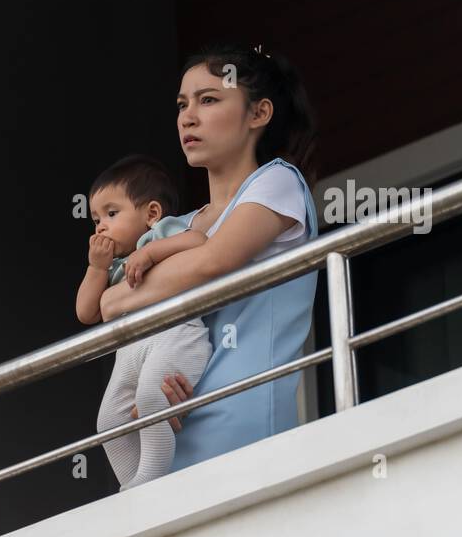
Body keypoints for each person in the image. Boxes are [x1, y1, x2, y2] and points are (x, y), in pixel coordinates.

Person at [99, 43, 320, 473]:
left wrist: (118, 298)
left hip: (243, 414)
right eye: (182, 104)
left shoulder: (276, 182)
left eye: (209, 100)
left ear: (258, 114)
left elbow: (211, 262)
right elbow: (121, 302)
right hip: (174, 417)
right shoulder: (179, 226)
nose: (188, 116)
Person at [76, 155, 212, 490]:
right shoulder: (112, 265)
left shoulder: (164, 233)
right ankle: (132, 488)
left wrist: (150, 254)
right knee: (109, 420)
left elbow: (200, 242)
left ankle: (150, 482)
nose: (101, 226)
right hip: (131, 352)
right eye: (95, 219)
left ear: (151, 214)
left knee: (152, 397)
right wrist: (96, 268)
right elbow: (86, 312)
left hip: (177, 335)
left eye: (111, 213)